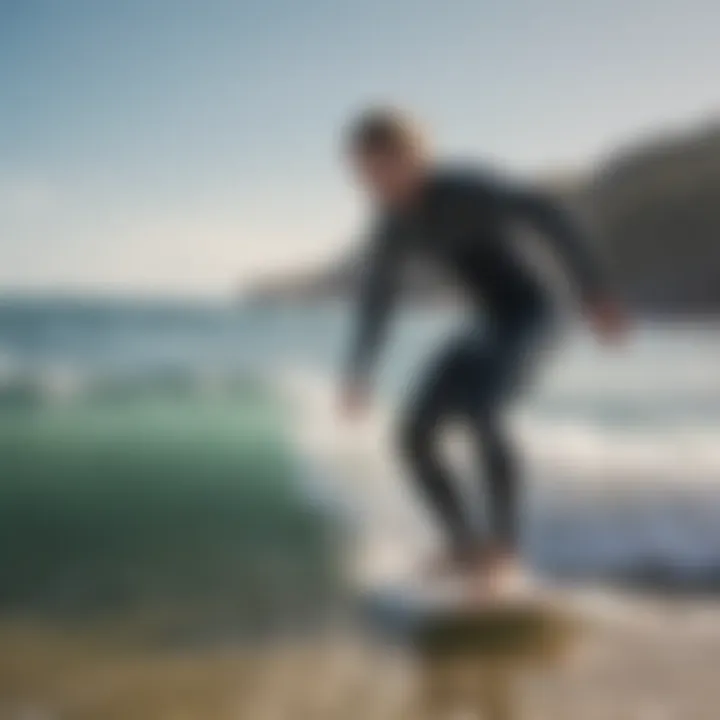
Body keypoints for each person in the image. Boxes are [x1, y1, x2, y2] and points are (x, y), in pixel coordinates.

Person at [339, 107, 626, 592]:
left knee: (481, 410)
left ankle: (503, 550)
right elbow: (379, 299)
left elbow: (548, 213)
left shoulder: (466, 191)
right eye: (366, 172)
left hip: (538, 313)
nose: (377, 181)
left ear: (417, 158)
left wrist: (593, 289)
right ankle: (463, 547)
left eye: (387, 166)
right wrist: (360, 370)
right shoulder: (393, 225)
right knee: (412, 435)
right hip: (490, 323)